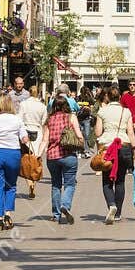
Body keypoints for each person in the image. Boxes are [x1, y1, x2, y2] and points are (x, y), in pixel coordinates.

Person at [94, 87, 135, 223]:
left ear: (107, 97)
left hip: (108, 148)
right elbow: (130, 132)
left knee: (107, 181)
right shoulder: (126, 111)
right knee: (120, 181)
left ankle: (111, 205)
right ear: (120, 97)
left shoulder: (102, 111)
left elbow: (98, 132)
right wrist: (134, 150)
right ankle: (118, 213)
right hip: (123, 146)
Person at [0, 93, 27, 231]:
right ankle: (7, 214)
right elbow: (24, 139)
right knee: (10, 185)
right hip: (13, 154)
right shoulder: (17, 120)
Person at [44, 94, 84, 223]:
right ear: (66, 105)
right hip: (68, 155)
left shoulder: (49, 120)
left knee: (55, 184)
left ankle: (56, 215)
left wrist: (38, 155)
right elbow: (79, 135)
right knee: (70, 184)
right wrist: (82, 144)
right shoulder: (71, 117)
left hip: (52, 156)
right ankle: (65, 205)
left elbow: (45, 140)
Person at [19, 85, 48, 199]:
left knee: (26, 159)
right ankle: (33, 184)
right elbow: (44, 120)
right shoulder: (42, 106)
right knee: (35, 159)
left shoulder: (23, 104)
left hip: (25, 130)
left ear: (29, 93)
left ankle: (29, 183)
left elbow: (19, 119)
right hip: (37, 131)